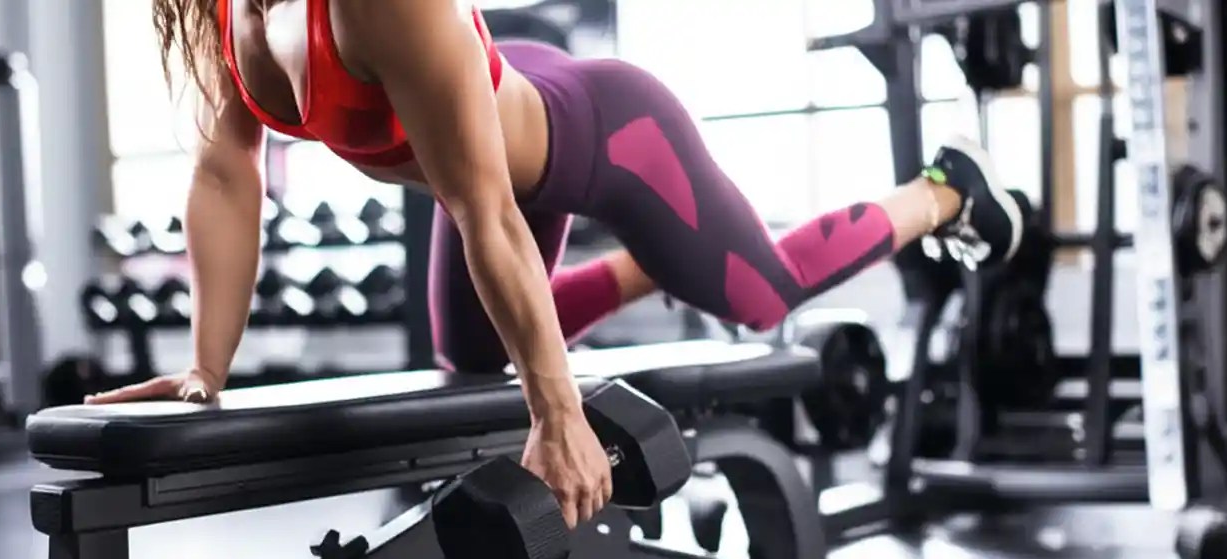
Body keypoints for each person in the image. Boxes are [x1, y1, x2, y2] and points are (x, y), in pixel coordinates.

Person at [87, 0, 1023, 529]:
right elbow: (223, 170)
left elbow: (483, 208)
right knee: (471, 365)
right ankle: (660, 263)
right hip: (492, 159)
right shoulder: (228, 11)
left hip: (610, 134)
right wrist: (207, 371)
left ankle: (946, 190)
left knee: (759, 291)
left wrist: (561, 411)